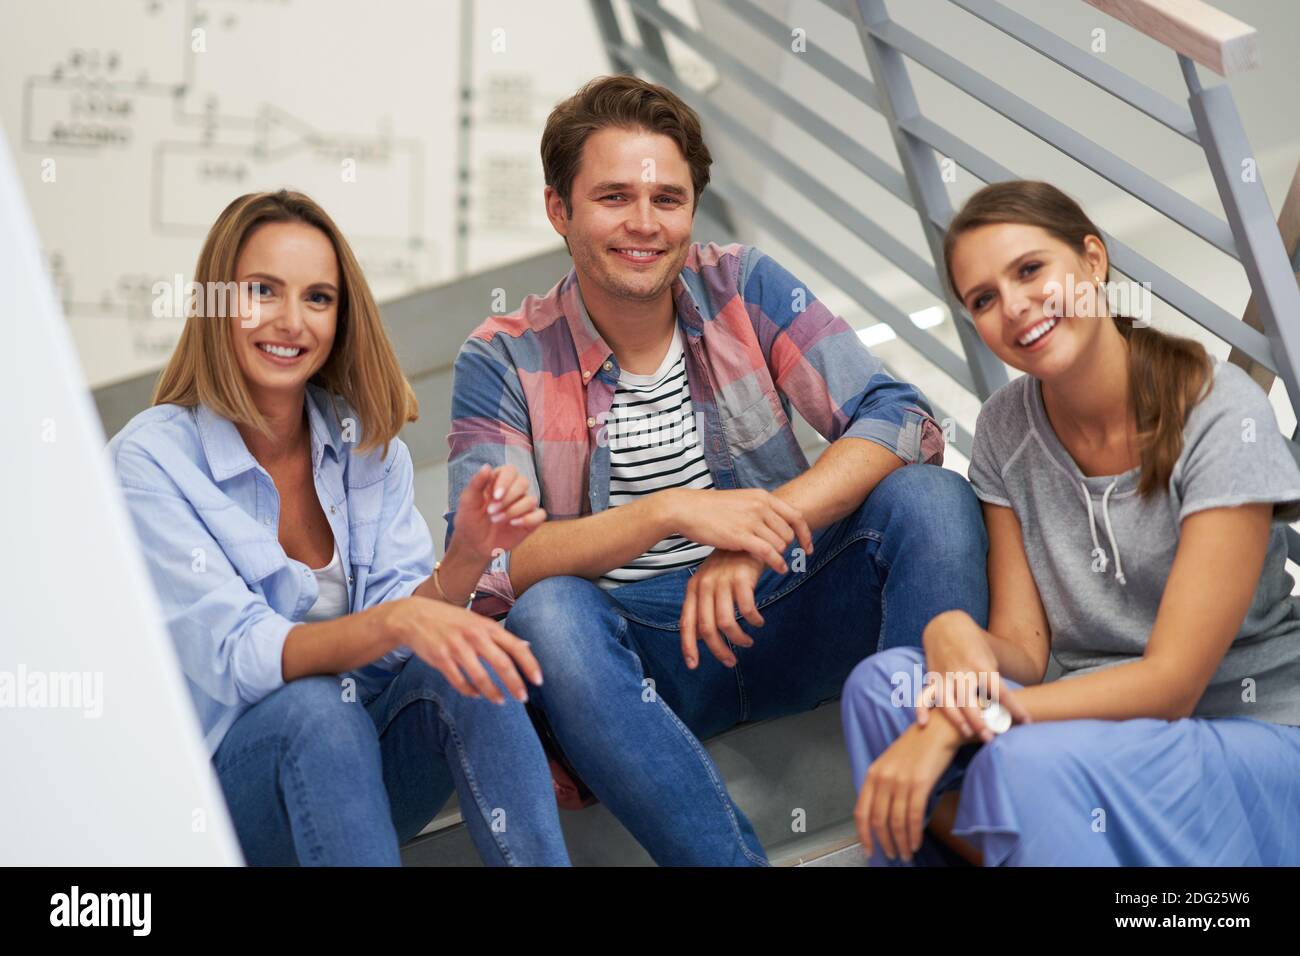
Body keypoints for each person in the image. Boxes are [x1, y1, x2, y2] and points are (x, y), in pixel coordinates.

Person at [444, 75, 989, 865]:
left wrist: (761, 530)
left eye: (668, 198)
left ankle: (927, 826)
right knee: (549, 614)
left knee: (930, 498)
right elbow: (491, 566)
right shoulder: (502, 356)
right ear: (559, 210)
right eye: (613, 198)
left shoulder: (742, 283)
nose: (643, 223)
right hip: (645, 662)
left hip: (784, 602)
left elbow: (902, 419)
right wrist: (671, 511)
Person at [841, 180, 1300, 866]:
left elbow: (1172, 685)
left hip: (1245, 727)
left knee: (1021, 761)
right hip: (1087, 725)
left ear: (1092, 261)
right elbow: (1024, 650)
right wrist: (951, 630)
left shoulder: (1219, 413)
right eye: (984, 299)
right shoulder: (1004, 428)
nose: (1014, 307)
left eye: (1029, 270)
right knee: (880, 689)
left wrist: (951, 728)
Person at [108, 189, 570, 866]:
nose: (292, 321)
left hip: (357, 774)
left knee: (467, 662)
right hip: (232, 804)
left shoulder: (364, 443)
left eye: (318, 298)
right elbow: (242, 657)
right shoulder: (149, 461)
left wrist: (467, 558)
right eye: (263, 291)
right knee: (316, 712)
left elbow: (394, 641)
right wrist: (397, 624)